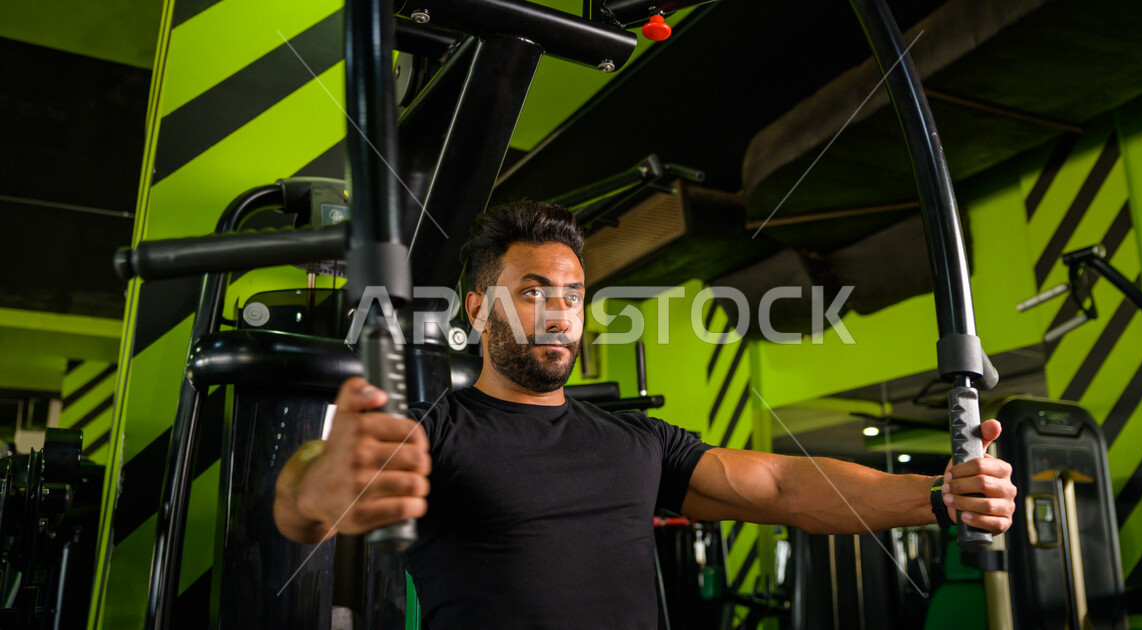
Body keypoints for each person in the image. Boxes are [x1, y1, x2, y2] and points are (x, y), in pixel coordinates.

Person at [273, 201, 1017, 629]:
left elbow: (783, 486)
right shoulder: (438, 432)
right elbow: (303, 505)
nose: (560, 315)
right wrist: (322, 478)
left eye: (572, 295)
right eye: (533, 292)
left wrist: (939, 496)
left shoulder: (636, 441)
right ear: (478, 309)